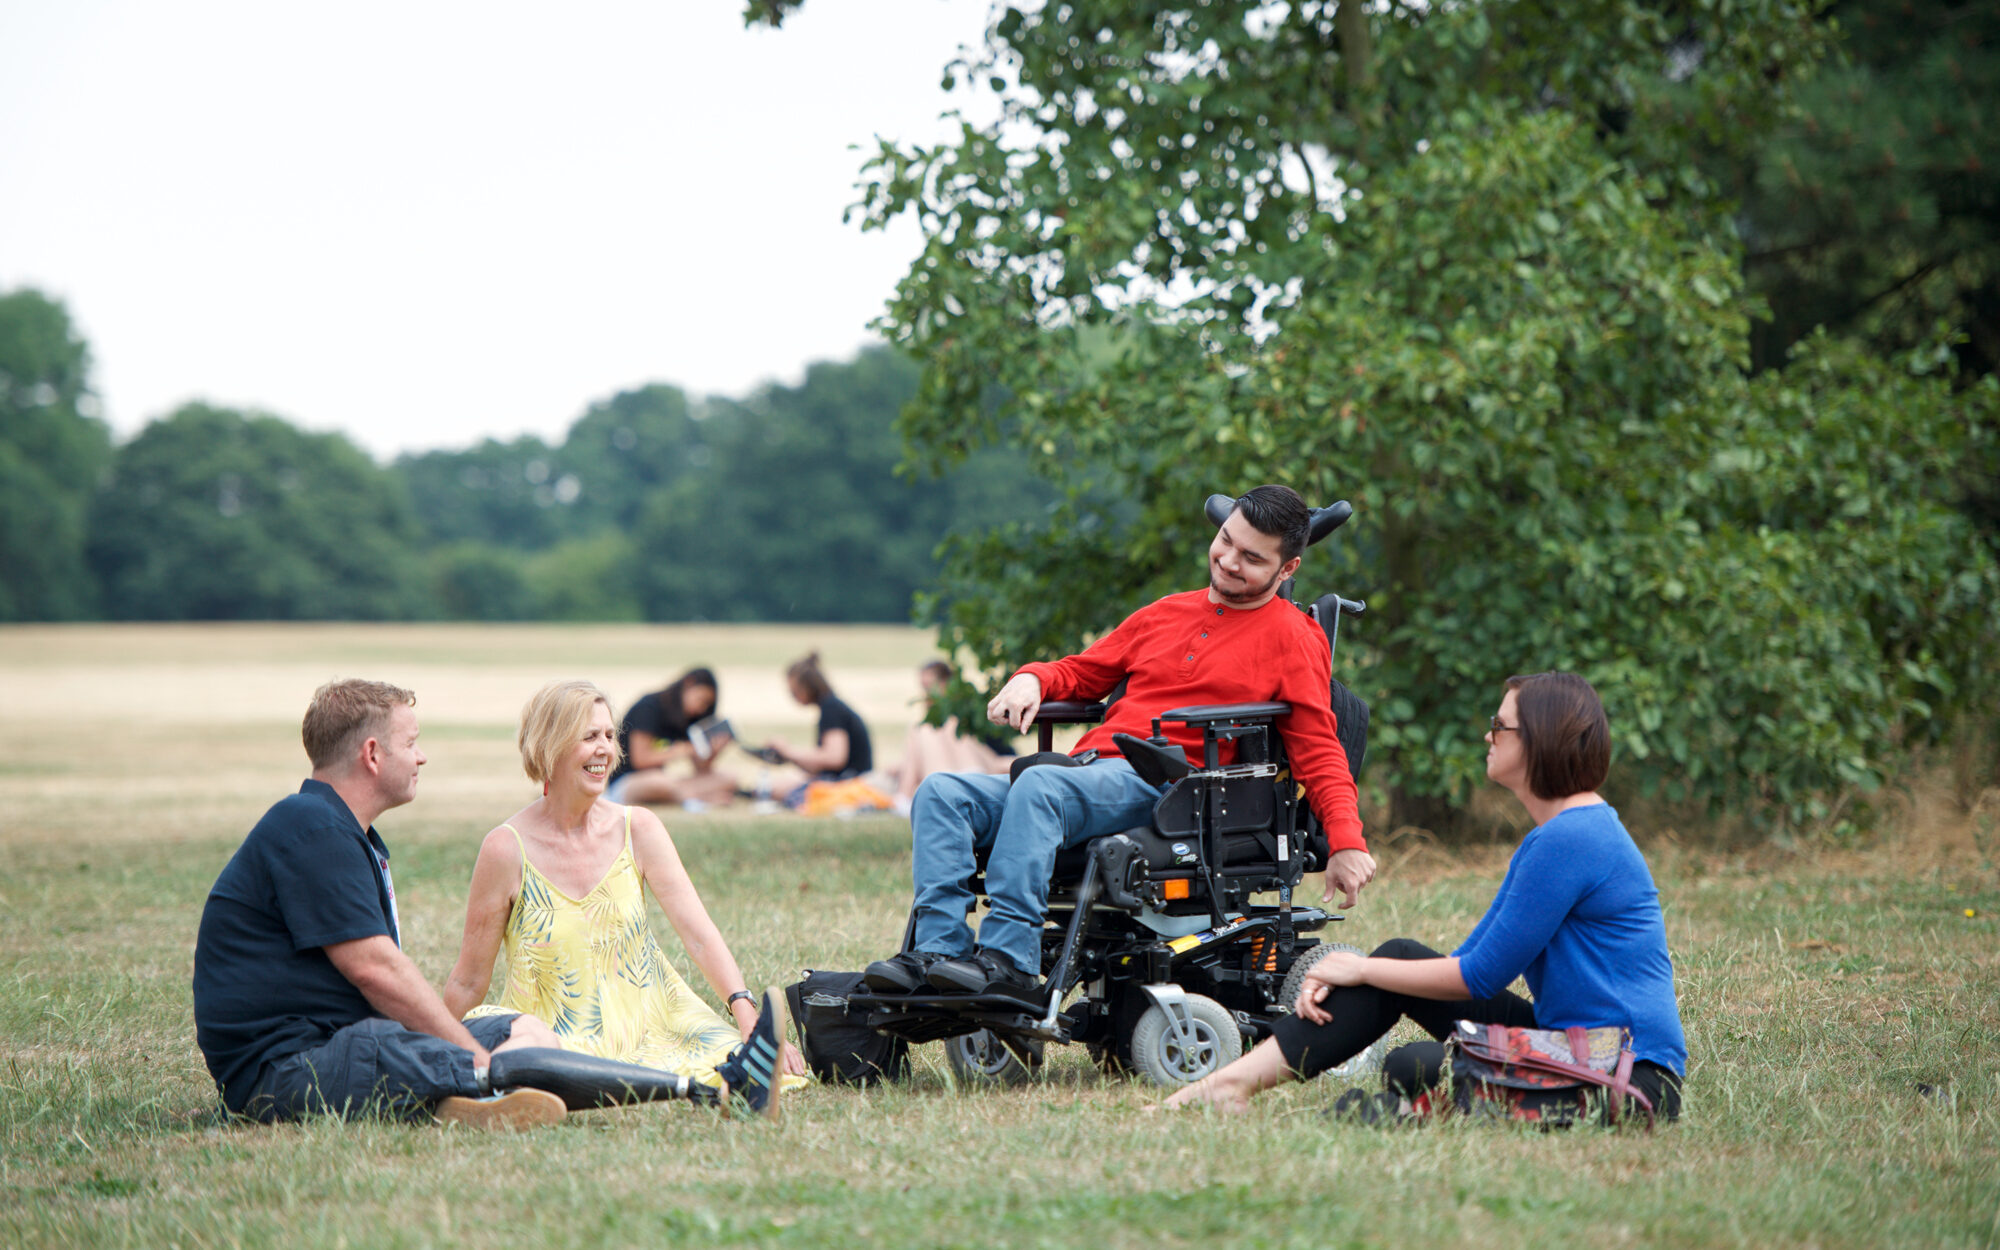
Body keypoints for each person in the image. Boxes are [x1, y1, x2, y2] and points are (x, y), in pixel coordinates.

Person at [192, 679, 790, 1131]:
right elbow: (376, 968)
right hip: (286, 1068)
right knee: (465, 1058)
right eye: (412, 743)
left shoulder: (343, 832)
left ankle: (474, 1094)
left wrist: (453, 1039)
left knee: (528, 1033)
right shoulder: (310, 826)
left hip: (342, 1040)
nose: (421, 757)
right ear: (373, 754)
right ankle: (712, 1090)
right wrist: (467, 1051)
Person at [864, 485, 1374, 998]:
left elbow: (1318, 748)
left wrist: (1346, 841)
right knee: (943, 793)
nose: (1228, 560)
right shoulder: (1164, 613)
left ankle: (1007, 962)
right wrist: (1034, 678)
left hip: (1172, 789)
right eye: (1225, 540)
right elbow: (1082, 672)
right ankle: (936, 953)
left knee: (1041, 784)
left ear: (1287, 570)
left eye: (1251, 557)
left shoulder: (1293, 637)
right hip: (1089, 772)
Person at [1162, 671, 1686, 1123]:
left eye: (1500, 727)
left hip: (1626, 1076)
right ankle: (1229, 1087)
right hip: (1570, 1046)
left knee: (1414, 1061)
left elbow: (1476, 977)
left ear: (1540, 739)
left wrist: (1359, 970)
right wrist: (1366, 968)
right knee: (1402, 964)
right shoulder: (1559, 834)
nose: (1488, 735)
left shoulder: (1572, 838)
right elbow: (1467, 966)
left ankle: (1231, 1087)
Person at [444, 680, 807, 1096]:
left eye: (609, 736)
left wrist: (747, 1017)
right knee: (525, 1064)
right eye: (588, 737)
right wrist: (425, 1048)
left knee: (755, 1065)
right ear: (549, 746)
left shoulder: (639, 828)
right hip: (551, 1036)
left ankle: (720, 1082)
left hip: (655, 1026)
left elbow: (699, 934)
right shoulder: (505, 848)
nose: (604, 749)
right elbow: (469, 981)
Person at [887, 660, 1017, 816]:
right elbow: (998, 762)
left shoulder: (965, 721)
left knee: (923, 729)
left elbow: (999, 761)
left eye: (930, 687)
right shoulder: (961, 721)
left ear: (946, 684)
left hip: (953, 781)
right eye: (924, 688)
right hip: (973, 777)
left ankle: (903, 798)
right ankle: (903, 797)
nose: (927, 694)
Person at [605, 667, 738, 809]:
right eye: (701, 700)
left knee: (729, 779)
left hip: (668, 782)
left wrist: (712, 752)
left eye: (706, 705)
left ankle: (690, 797)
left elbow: (700, 769)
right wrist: (681, 750)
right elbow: (640, 759)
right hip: (629, 782)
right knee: (659, 782)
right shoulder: (649, 707)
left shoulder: (687, 719)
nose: (701, 708)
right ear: (689, 683)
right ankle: (700, 800)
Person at [761, 652, 874, 803]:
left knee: (778, 791)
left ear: (806, 686)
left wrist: (788, 751)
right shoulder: (829, 706)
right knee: (776, 786)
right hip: (844, 780)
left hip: (848, 783)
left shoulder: (831, 708)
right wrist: (788, 756)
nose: (792, 695)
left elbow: (835, 758)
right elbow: (820, 766)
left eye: (794, 691)